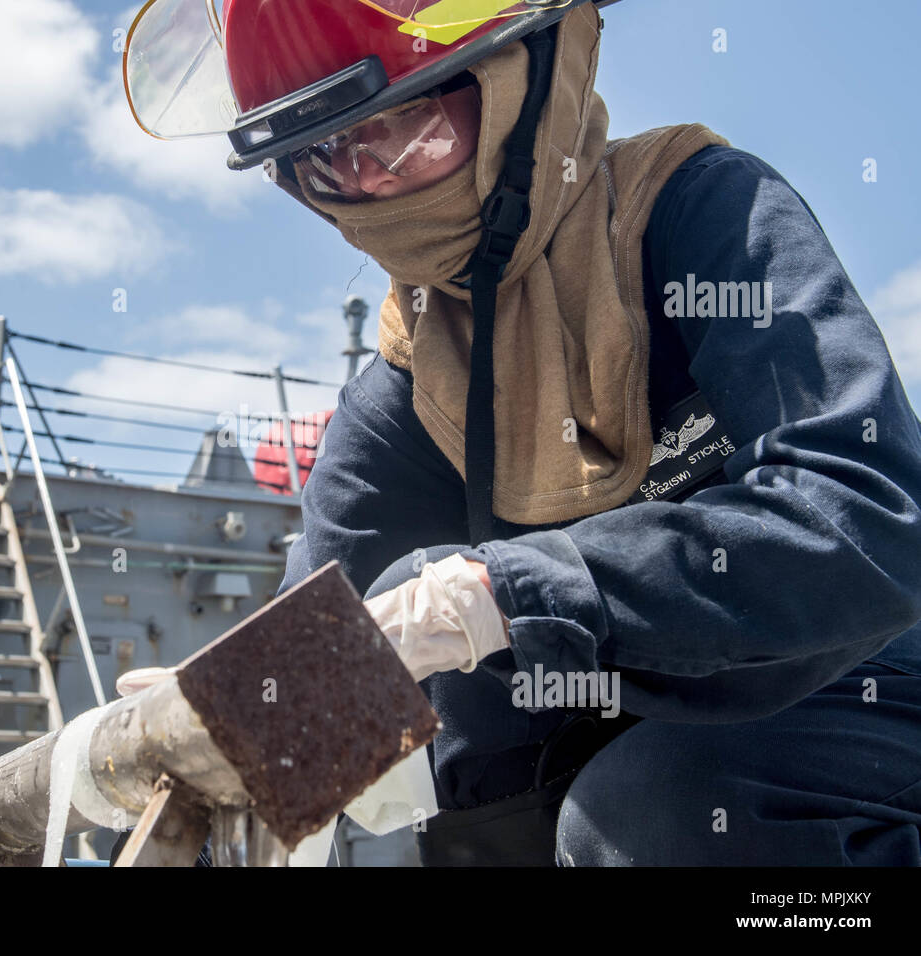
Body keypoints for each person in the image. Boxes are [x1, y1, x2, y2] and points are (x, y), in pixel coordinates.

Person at [125, 0, 921, 865]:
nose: (370, 180)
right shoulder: (408, 388)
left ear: (521, 86)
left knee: (655, 812)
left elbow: (867, 517)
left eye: (403, 129)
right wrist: (217, 746)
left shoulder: (701, 212)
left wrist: (505, 593)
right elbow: (312, 666)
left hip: (864, 679)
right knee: (466, 778)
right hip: (643, 723)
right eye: (325, 158)